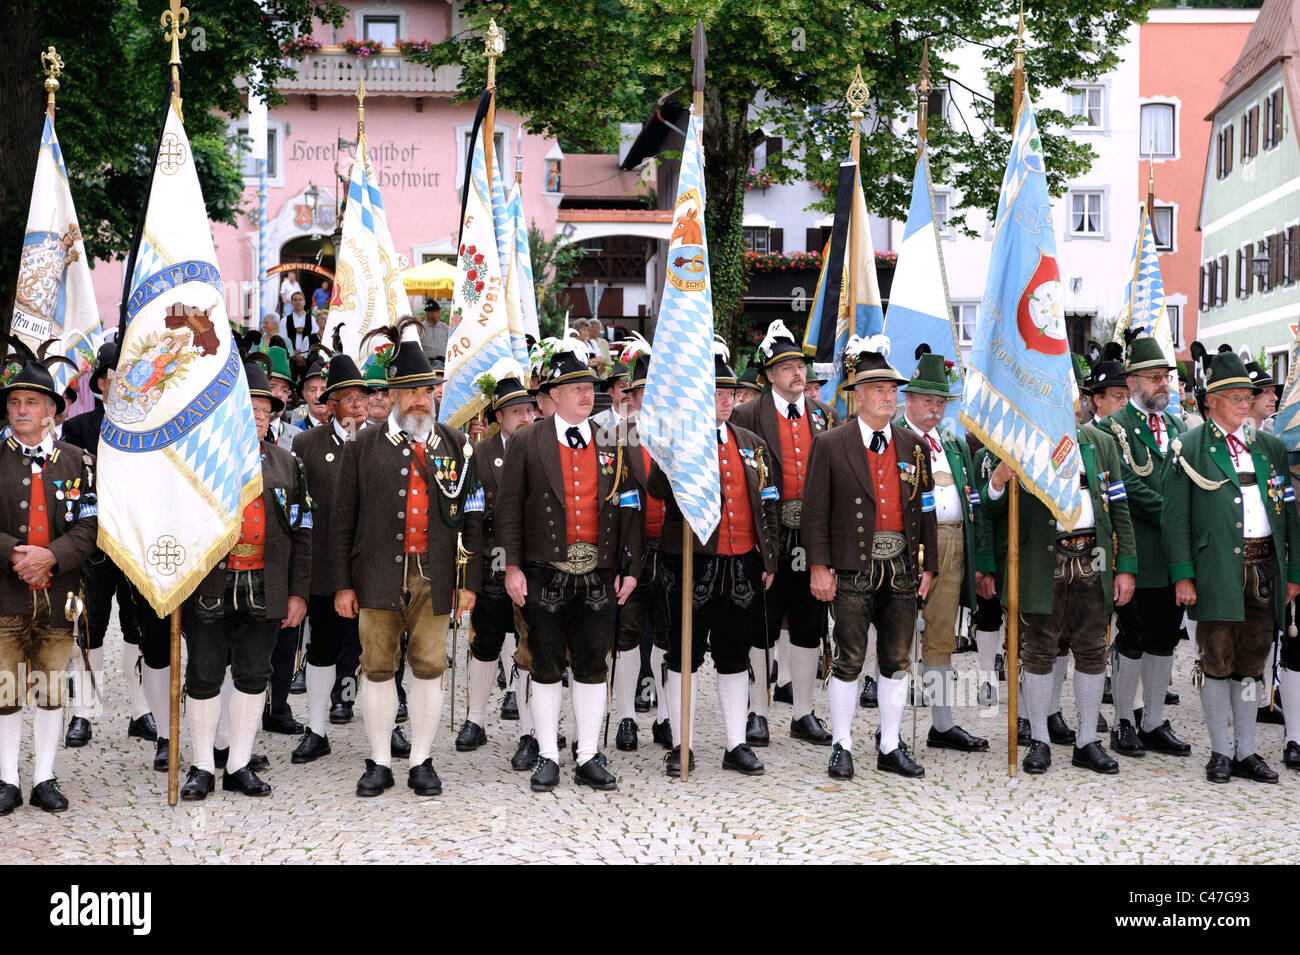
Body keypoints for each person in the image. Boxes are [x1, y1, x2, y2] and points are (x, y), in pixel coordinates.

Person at [330, 330, 478, 797]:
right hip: (375, 575)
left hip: (436, 577)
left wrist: (469, 580)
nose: (421, 399)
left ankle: (421, 760)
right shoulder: (362, 446)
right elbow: (340, 522)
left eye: (427, 390)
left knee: (430, 666)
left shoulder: (455, 445)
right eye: (412, 390)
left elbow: (473, 519)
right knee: (376, 667)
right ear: (392, 394)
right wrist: (342, 584)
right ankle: (377, 761)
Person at [497, 340, 643, 792]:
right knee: (543, 664)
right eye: (576, 387)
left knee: (592, 664)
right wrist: (511, 567)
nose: (586, 394)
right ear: (552, 395)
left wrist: (630, 566)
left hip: (599, 573)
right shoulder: (526, 441)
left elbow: (631, 503)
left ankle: (587, 755)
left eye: (589, 386)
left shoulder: (615, 438)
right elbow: (506, 511)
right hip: (542, 571)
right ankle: (546, 755)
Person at [801, 336, 938, 780]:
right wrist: (818, 567)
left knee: (897, 659)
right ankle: (841, 745)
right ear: (857, 396)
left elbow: (926, 509)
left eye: (892, 389)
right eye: (878, 389)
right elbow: (814, 511)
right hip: (851, 566)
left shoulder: (911, 445)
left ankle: (890, 745)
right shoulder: (831, 443)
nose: (888, 396)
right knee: (849, 657)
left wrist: (929, 564)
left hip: (901, 565)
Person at [1162, 348, 1300, 784]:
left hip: (1264, 572)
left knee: (1251, 662)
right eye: (1236, 397)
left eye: (1248, 397)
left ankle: (1245, 750)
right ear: (1212, 403)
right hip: (1215, 570)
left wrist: (1293, 573)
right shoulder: (1189, 447)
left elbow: (1288, 514)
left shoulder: (1271, 448)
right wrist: (1183, 575)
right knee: (1216, 658)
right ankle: (1219, 752)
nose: (1245, 404)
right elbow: (1175, 519)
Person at [178, 363, 311, 800]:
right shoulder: (201, 463)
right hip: (210, 585)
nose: (256, 417)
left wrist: (296, 593)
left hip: (265, 586)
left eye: (263, 411)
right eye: (247, 409)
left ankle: (238, 764)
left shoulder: (288, 464)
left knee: (255, 675)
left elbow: (302, 533)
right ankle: (201, 767)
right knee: (202, 675)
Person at [983, 407, 1137, 775]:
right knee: (1038, 652)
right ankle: (1039, 740)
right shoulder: (1018, 444)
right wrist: (999, 480)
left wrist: (1126, 566)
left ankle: (1086, 741)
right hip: (1040, 563)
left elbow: (1119, 507)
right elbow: (991, 510)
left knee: (1092, 650)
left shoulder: (1101, 443)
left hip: (1093, 559)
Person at [648, 341, 778, 776]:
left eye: (729, 394)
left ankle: (735, 744)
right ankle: (681, 745)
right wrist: (676, 449)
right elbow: (656, 489)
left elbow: (769, 503)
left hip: (742, 562)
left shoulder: (753, 444)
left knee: (735, 654)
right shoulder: (681, 440)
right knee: (683, 655)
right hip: (691, 562)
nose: (724, 401)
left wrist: (770, 560)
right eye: (715, 394)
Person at [730, 319, 836, 748]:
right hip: (766, 537)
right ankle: (757, 711)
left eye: (800, 365)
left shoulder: (825, 417)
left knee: (809, 625)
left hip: (811, 537)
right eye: (787, 366)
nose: (797, 372)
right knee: (761, 625)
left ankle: (803, 713)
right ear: (769, 374)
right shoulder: (745, 414)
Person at [0, 359, 99, 812]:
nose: (21, 409)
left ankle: (44, 777)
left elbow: (90, 527)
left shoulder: (78, 461)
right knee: (6, 689)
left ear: (52, 412)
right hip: (6, 591)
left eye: (31, 402)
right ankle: (6, 779)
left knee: (50, 686)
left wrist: (51, 557)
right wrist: (15, 553)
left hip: (60, 594)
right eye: (15, 402)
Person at [60, 343, 158, 749]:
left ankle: (141, 710)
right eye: (115, 376)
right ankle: (83, 711)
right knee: (90, 628)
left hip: (136, 543)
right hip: (94, 544)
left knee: (137, 629)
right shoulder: (80, 428)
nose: (123, 384)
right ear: (101, 382)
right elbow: (70, 488)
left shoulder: (150, 425)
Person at [1102, 337, 1192, 759]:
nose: (1163, 385)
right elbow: (1128, 485)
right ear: (1133, 380)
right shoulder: (1113, 427)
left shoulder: (1176, 427)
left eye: (1166, 378)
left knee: (1165, 638)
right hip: (1136, 549)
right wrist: (1178, 517)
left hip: (1173, 553)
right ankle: (1123, 719)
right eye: (1155, 378)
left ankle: (1153, 720)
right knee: (1133, 636)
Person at [288, 353, 379, 764]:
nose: (358, 404)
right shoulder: (306, 444)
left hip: (375, 568)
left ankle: (386, 728)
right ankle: (317, 729)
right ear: (331, 404)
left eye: (363, 396)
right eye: (348, 397)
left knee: (380, 651)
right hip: (325, 568)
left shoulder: (384, 440)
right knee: (322, 651)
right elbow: (299, 512)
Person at [898, 347, 989, 754]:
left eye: (941, 402)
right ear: (909, 400)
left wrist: (980, 561)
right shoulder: (896, 440)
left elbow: (974, 505)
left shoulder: (952, 443)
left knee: (941, 637)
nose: (935, 409)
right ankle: (891, 726)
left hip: (953, 542)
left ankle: (942, 723)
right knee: (897, 636)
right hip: (907, 546)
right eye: (927, 401)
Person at [456, 361, 537, 763]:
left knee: (529, 646)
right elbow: (470, 519)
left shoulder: (545, 445)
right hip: (492, 559)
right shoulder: (478, 454)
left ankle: (529, 731)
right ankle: (474, 719)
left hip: (535, 561)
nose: (525, 417)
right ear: (498, 417)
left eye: (529, 410)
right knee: (485, 642)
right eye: (516, 411)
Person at [284, 292, 312, 357]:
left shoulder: (312, 320)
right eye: (295, 300)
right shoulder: (284, 320)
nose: (298, 302)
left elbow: (313, 339)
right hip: (290, 356)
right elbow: (284, 339)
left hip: (308, 356)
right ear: (292, 302)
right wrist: (292, 352)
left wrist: (303, 355)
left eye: (300, 299)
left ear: (304, 301)